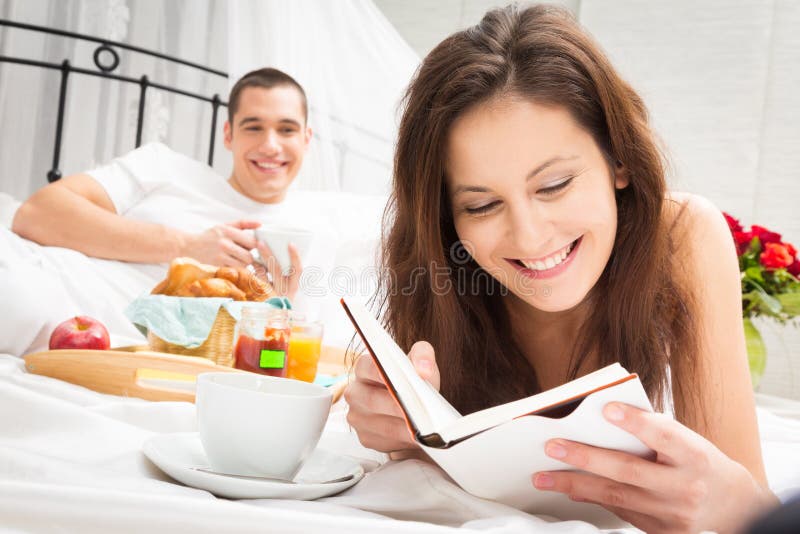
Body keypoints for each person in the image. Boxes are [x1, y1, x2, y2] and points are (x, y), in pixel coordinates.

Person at [344, 5, 779, 532]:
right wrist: (397, 434)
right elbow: (436, 480)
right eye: (481, 206)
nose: (529, 237)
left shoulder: (681, 238)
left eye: (554, 186)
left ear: (620, 159)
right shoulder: (443, 262)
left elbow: (740, 496)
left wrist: (729, 502)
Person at [1, 67, 334, 355]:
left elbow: (284, 363)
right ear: (229, 135)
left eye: (287, 129)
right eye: (253, 126)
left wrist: (276, 310)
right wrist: (186, 248)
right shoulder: (163, 168)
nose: (270, 145)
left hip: (103, 343)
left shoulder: (309, 243)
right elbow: (34, 215)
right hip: (37, 277)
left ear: (306, 139)